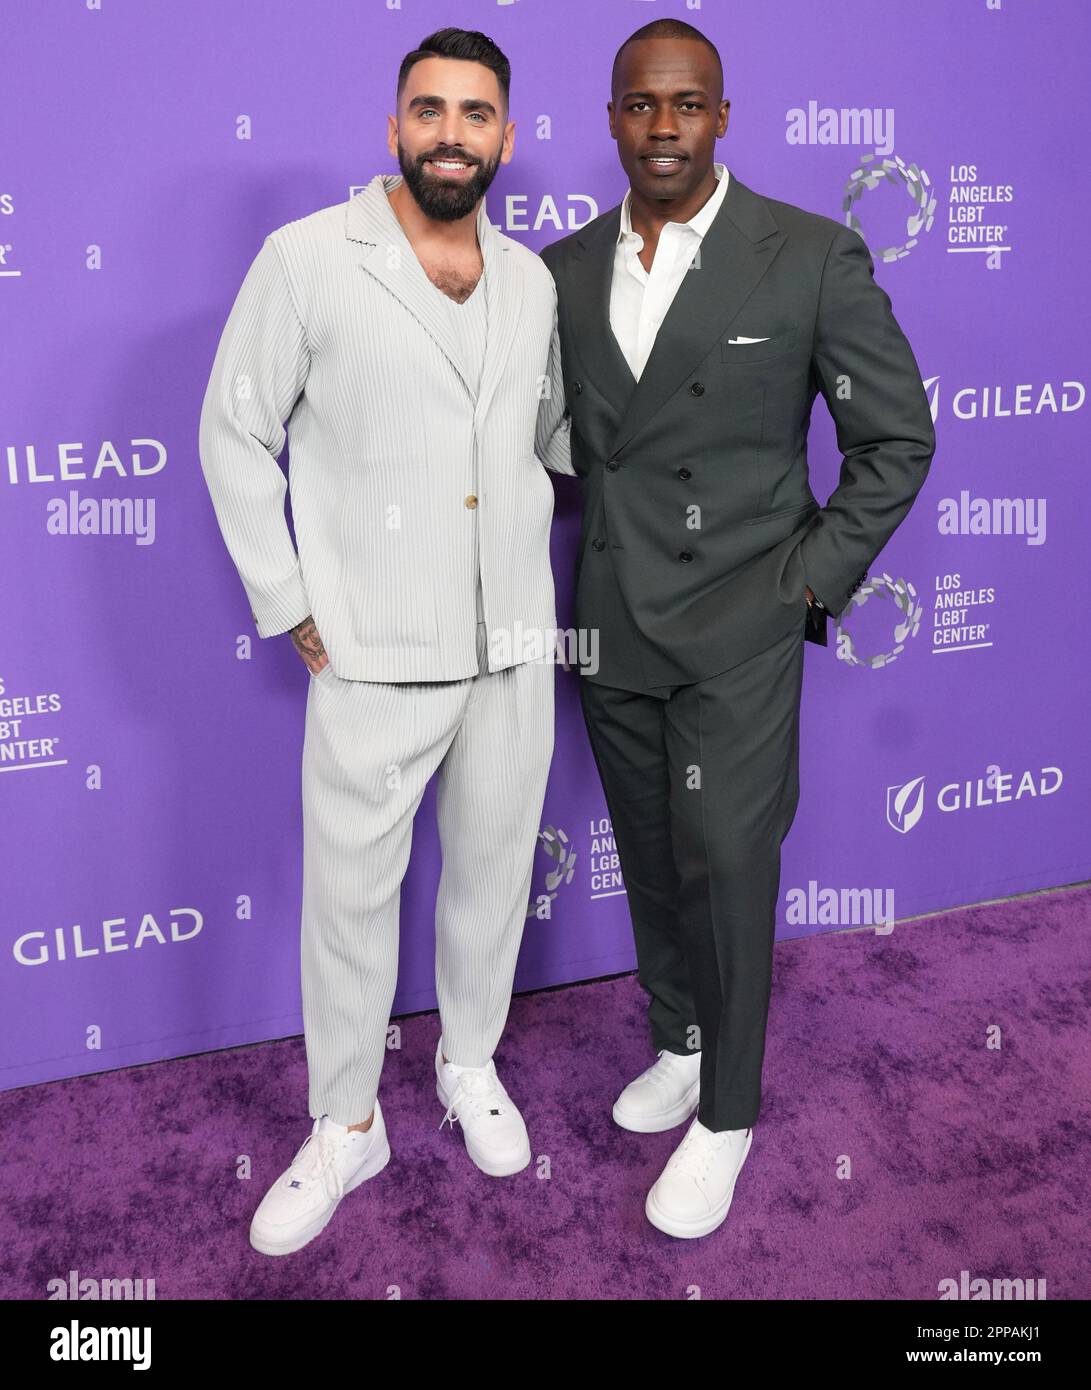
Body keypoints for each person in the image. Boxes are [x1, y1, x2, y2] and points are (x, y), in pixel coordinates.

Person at [539, 18, 935, 1238]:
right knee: (651, 846)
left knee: (726, 856)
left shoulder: (810, 256)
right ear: (610, 119)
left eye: (687, 103)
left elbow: (894, 441)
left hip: (740, 621)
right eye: (640, 105)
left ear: (721, 116)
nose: (663, 126)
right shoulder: (556, 269)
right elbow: (559, 456)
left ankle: (725, 1110)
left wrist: (799, 584)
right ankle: (676, 1038)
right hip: (610, 617)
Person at [198, 27, 574, 1257]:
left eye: (475, 115)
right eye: (428, 110)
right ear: (394, 127)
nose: (451, 134)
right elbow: (231, 432)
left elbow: (552, 438)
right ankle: (346, 1122)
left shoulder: (530, 283)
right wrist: (290, 600)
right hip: (367, 654)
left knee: (490, 878)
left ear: (506, 139)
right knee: (349, 908)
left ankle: (468, 1064)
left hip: (512, 645)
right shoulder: (308, 260)